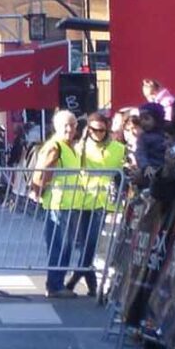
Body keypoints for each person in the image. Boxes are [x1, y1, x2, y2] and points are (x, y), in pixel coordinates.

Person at [65, 112, 126, 296]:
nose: (97, 133)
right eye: (93, 129)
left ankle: (74, 280)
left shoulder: (118, 148)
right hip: (83, 199)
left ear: (107, 129)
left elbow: (124, 171)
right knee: (86, 244)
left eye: (101, 130)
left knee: (92, 243)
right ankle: (92, 287)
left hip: (105, 201)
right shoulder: (80, 147)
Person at [30, 110, 83, 299]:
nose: (69, 129)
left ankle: (57, 283)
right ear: (57, 127)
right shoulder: (55, 146)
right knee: (59, 245)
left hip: (68, 203)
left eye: (73, 125)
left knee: (65, 245)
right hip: (58, 204)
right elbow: (42, 172)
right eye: (65, 125)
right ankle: (55, 285)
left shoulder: (69, 146)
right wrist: (37, 191)